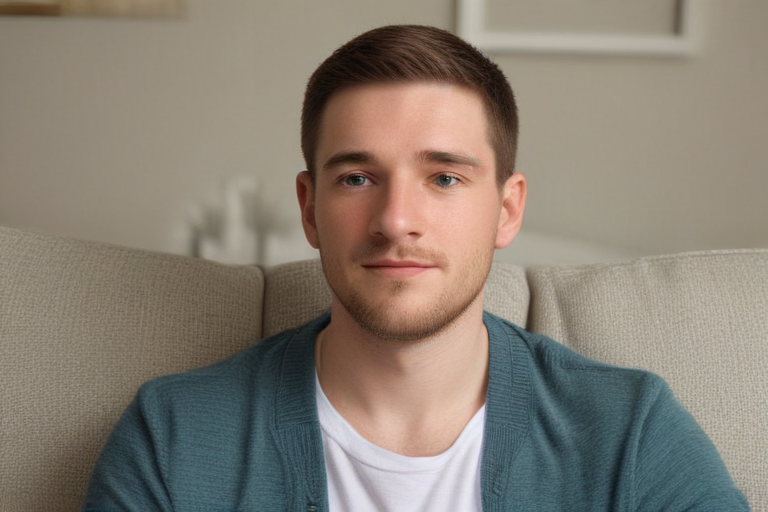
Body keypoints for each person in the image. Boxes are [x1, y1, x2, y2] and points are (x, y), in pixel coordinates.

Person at [82, 25, 749, 511]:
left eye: (445, 178)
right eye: (357, 177)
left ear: (507, 209)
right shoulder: (173, 438)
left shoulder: (630, 433)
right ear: (310, 209)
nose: (396, 218)